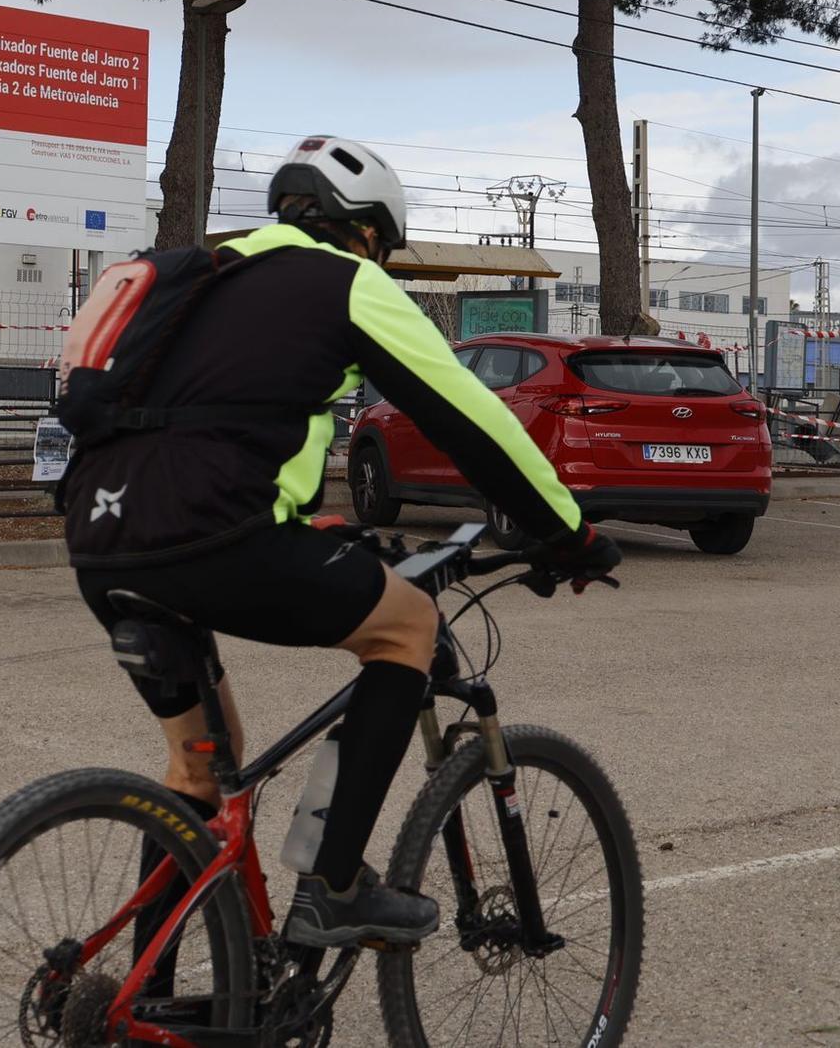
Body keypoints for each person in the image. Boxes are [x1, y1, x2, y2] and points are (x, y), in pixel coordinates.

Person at [62, 135, 621, 947]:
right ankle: (333, 885)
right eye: (383, 247)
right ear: (363, 231)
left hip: (100, 540)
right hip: (220, 537)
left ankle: (149, 995)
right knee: (408, 628)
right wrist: (566, 531)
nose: (381, 261)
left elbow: (196, 421)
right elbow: (469, 417)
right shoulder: (347, 282)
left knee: (199, 769)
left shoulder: (193, 276)